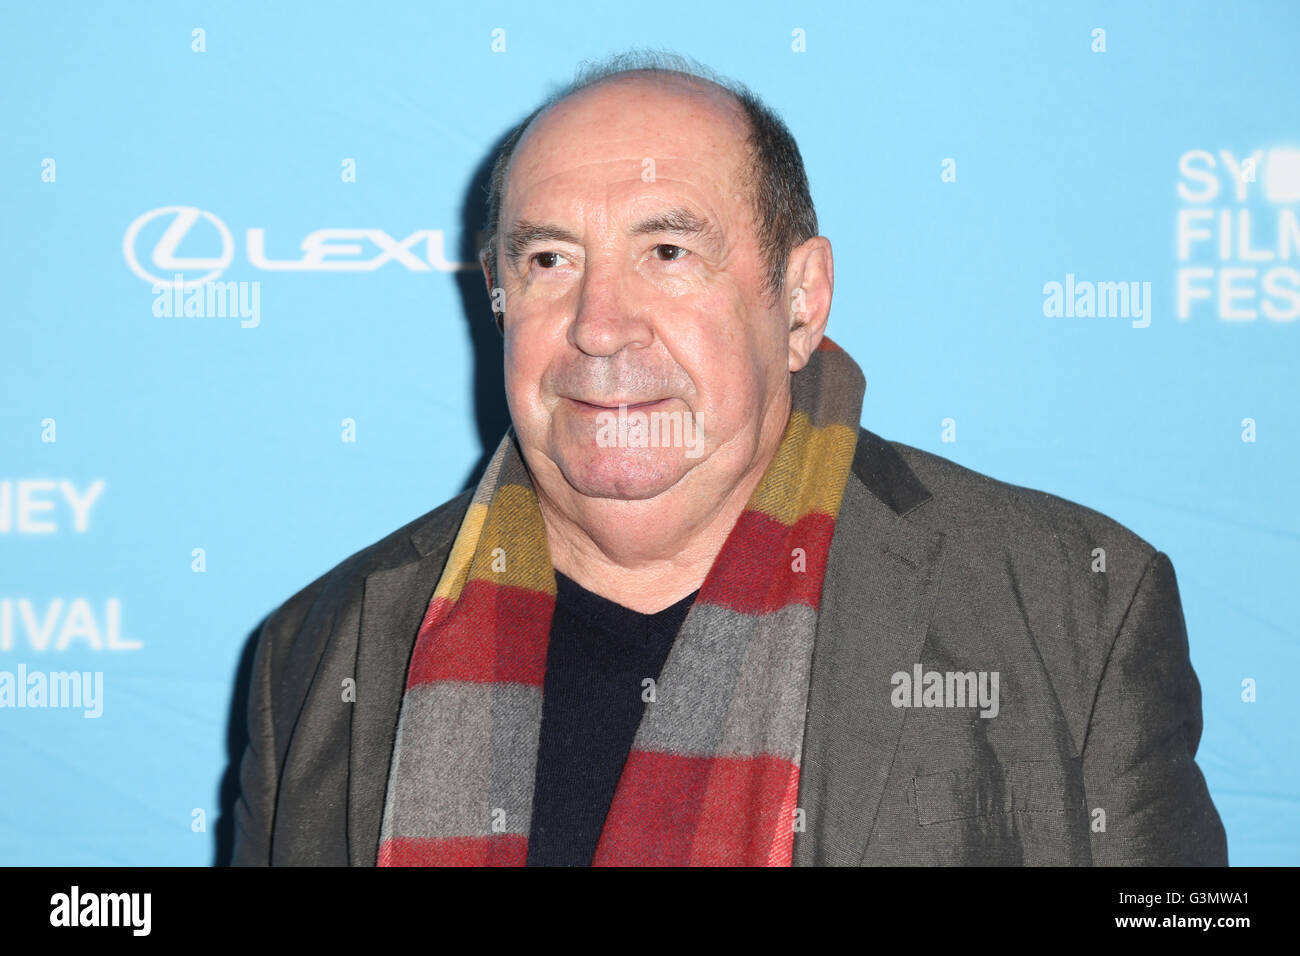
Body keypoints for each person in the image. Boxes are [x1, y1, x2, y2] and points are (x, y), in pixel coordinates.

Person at [231, 51, 1227, 866]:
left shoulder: (1071, 606)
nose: (599, 328)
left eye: (667, 254)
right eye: (548, 261)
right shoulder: (320, 651)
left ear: (800, 299)